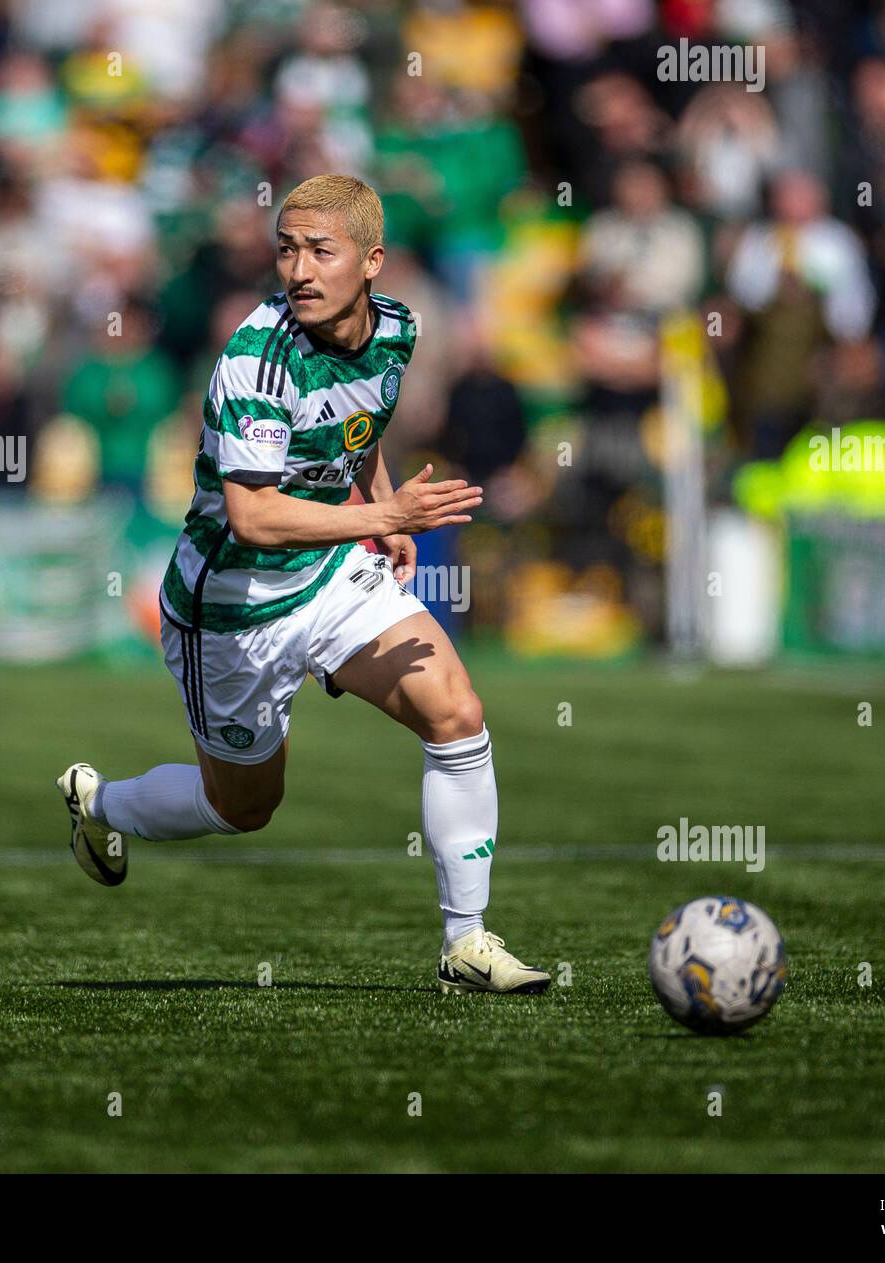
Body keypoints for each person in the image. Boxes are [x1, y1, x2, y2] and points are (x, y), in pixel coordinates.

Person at [56, 174, 550, 995]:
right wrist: (384, 512)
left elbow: (358, 429)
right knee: (244, 807)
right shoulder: (256, 362)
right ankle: (100, 804)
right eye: (287, 249)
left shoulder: (398, 331)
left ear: (373, 262)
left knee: (455, 710)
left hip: (329, 572)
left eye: (322, 250)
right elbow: (253, 517)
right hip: (235, 607)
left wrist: (380, 505)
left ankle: (466, 943)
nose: (299, 269)